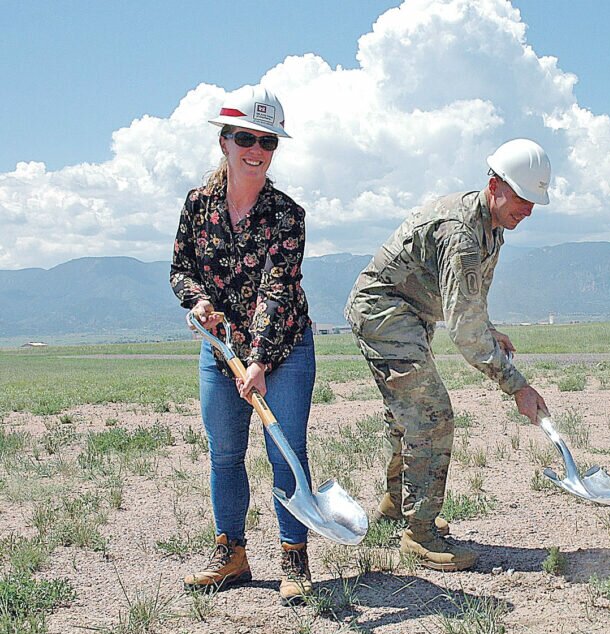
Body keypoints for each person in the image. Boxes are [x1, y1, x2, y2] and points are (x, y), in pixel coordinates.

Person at [345, 139, 551, 571]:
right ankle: (420, 531)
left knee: (407, 413)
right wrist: (517, 386)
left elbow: (467, 301)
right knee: (431, 415)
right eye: (522, 198)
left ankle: (394, 504)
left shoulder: (491, 227)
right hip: (384, 310)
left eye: (534, 202)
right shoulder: (461, 234)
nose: (528, 210)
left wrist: (488, 328)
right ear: (494, 185)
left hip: (410, 313)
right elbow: (465, 331)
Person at [170, 85, 317, 604]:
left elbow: (277, 287)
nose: (257, 149)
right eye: (246, 138)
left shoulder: (287, 214)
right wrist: (196, 302)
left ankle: (293, 556)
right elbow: (181, 270)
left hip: (283, 348)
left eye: (268, 141)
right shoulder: (197, 206)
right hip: (221, 350)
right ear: (224, 141)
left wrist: (258, 361)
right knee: (225, 453)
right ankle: (231, 554)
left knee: (285, 451)